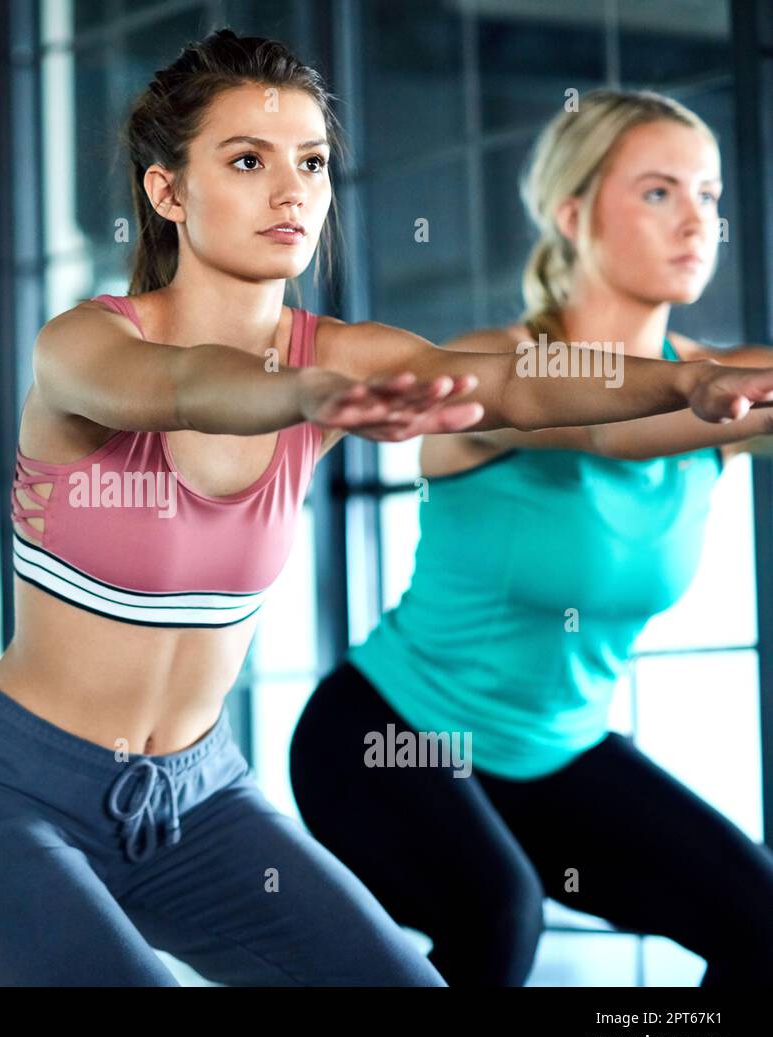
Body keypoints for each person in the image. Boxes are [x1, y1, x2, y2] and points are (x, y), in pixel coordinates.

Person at [0, 33, 773, 987]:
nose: (293, 192)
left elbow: (521, 383)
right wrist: (303, 397)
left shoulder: (346, 351)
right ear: (168, 191)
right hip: (10, 799)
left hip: (201, 804)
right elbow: (184, 385)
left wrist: (687, 384)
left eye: (312, 163)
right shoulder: (86, 346)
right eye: (248, 161)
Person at [290, 88, 773, 987]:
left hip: (557, 756)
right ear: (573, 211)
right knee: (496, 916)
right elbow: (604, 425)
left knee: (761, 924)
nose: (697, 220)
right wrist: (701, 393)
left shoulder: (723, 386)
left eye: (708, 195)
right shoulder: (501, 367)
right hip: (393, 736)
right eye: (660, 192)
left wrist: (714, 390)